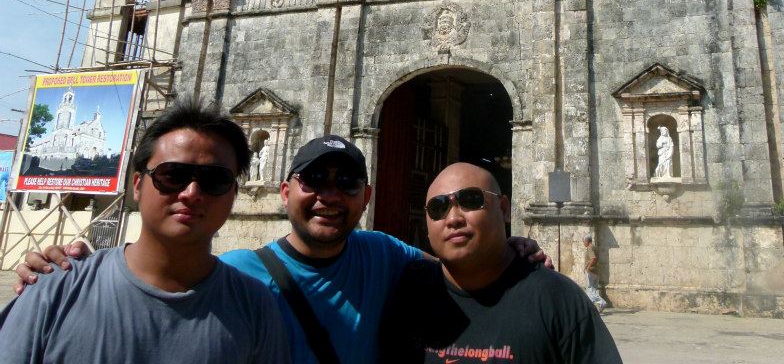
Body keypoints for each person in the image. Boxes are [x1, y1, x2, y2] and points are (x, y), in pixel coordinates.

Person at [17, 134, 550, 364]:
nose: (328, 196)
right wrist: (72, 270)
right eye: (313, 180)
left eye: (346, 183)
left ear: (366, 197)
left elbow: (457, 268)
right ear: (284, 190)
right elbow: (157, 286)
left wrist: (510, 250)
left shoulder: (384, 253)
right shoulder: (235, 275)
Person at [0, 100, 290, 363]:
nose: (191, 193)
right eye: (172, 175)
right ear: (138, 185)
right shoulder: (56, 286)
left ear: (233, 194)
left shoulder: (255, 305)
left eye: (214, 180)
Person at [380, 163, 623, 363]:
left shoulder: (557, 299)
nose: (453, 218)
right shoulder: (407, 290)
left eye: (471, 199)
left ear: (504, 209)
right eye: (438, 207)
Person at [583, 234, 607, 312]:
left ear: (587, 240)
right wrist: (586, 266)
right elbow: (592, 259)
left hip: (591, 271)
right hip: (596, 271)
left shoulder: (589, 248)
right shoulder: (594, 247)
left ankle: (601, 302)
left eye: (584, 241)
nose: (583, 243)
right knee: (593, 290)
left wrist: (588, 268)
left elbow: (593, 258)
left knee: (590, 289)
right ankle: (591, 307)